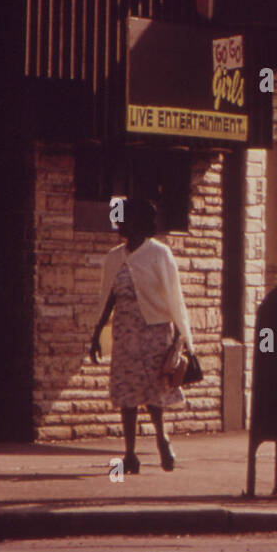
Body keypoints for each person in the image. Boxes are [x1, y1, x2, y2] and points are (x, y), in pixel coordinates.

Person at [90, 198, 195, 474]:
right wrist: (96, 333)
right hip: (125, 333)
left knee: (152, 391)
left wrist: (182, 337)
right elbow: (107, 298)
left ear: (139, 222)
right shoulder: (114, 257)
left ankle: (162, 439)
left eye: (124, 218)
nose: (119, 224)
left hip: (156, 331)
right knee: (127, 392)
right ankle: (130, 454)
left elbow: (175, 296)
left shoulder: (159, 254)